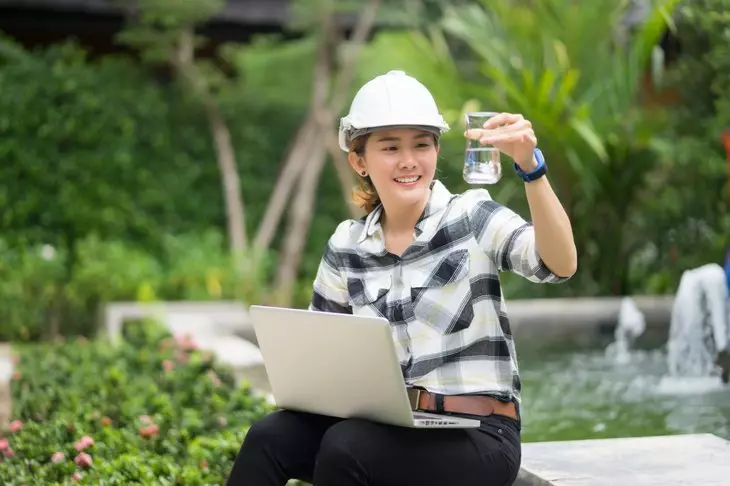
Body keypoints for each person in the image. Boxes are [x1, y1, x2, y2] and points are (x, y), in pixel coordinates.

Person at [226, 70, 577, 486]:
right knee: (271, 435)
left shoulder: (472, 217)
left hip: (479, 433)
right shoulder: (346, 245)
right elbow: (320, 365)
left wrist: (530, 168)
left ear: (435, 150)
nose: (408, 160)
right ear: (359, 160)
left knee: (347, 446)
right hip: (390, 427)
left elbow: (559, 264)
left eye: (421, 145)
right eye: (390, 147)